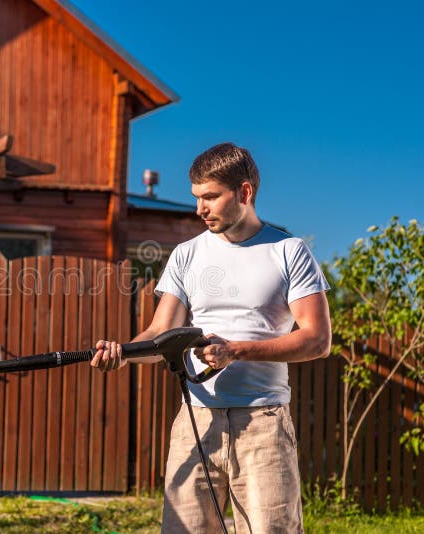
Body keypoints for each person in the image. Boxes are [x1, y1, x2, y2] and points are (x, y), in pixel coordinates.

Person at [91, 142, 331, 533]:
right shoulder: (186, 255)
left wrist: (236, 350)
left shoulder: (289, 252)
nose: (199, 209)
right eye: (196, 197)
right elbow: (159, 334)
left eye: (210, 197)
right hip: (195, 421)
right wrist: (124, 353)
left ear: (244, 192)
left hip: (263, 424)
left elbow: (317, 340)